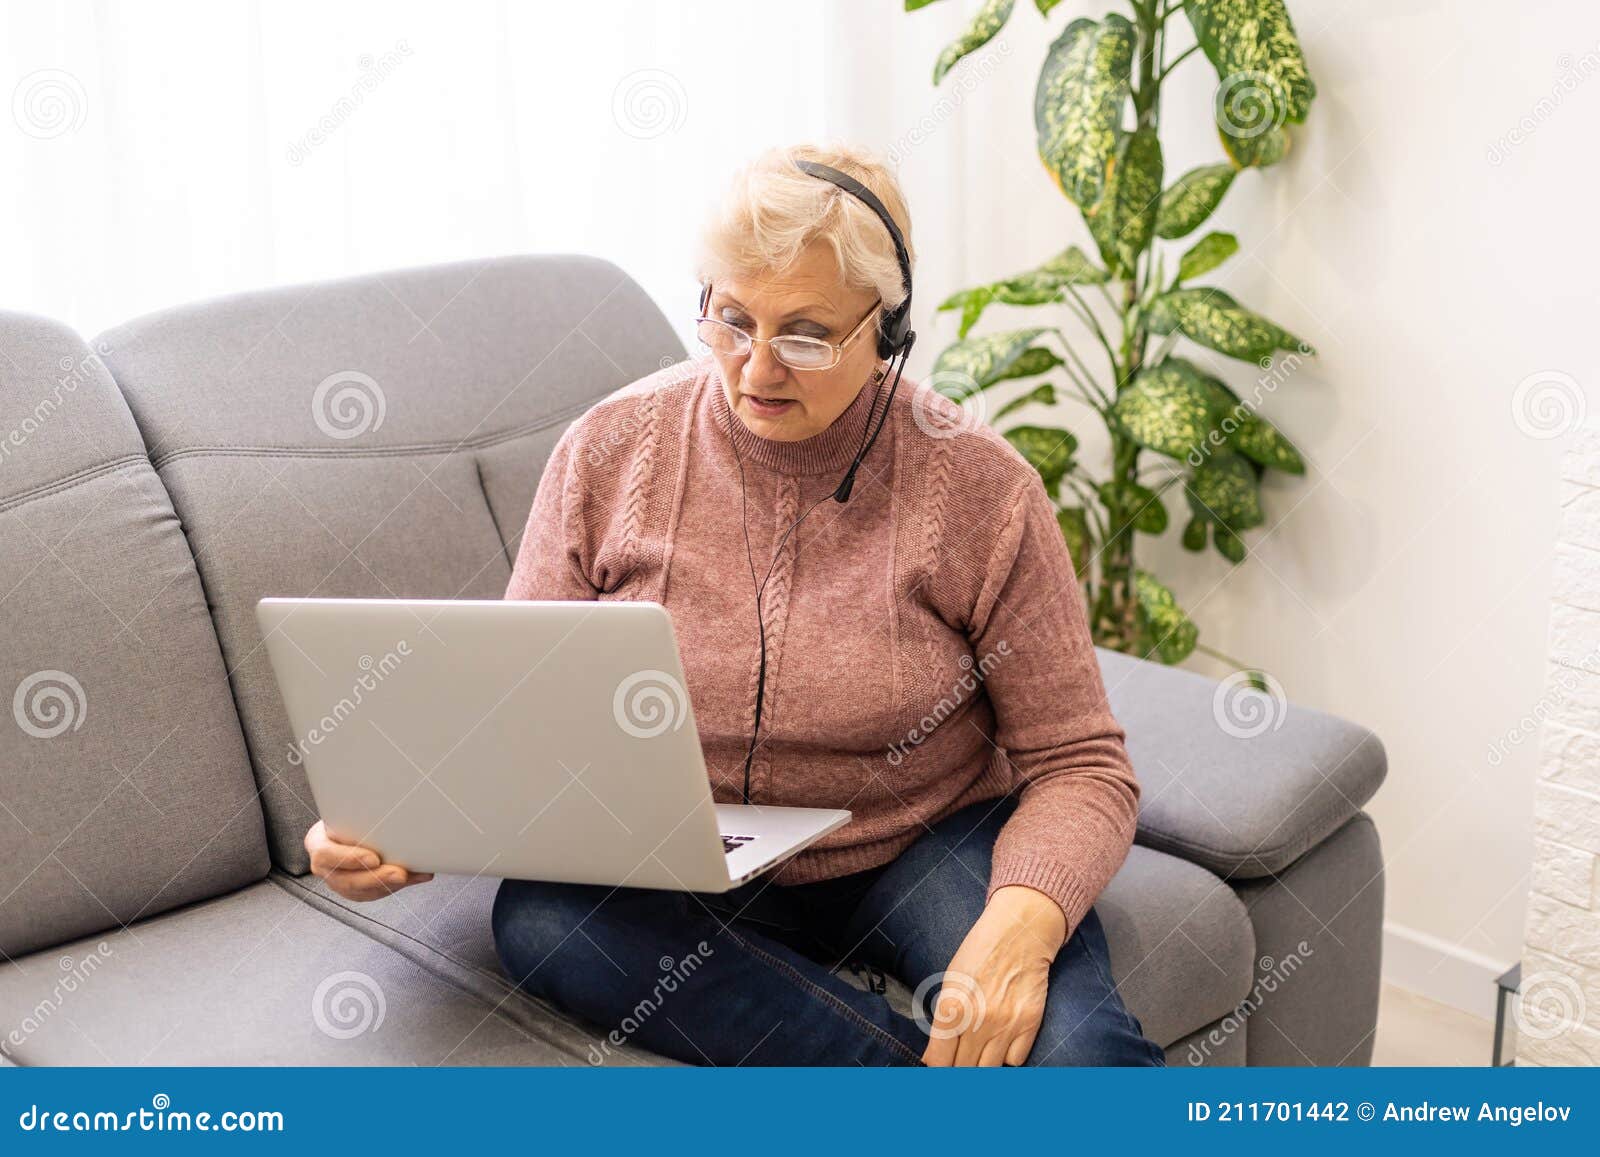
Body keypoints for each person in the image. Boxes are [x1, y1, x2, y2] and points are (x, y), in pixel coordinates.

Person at [303, 142, 1163, 1067]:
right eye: (732, 320)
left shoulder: (982, 488)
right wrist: (392, 826)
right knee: (548, 918)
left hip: (923, 842)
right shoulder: (610, 451)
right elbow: (510, 725)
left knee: (1081, 1056)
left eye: (805, 334)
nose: (756, 370)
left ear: (887, 332)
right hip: (681, 854)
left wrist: (1025, 918)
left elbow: (1082, 763)